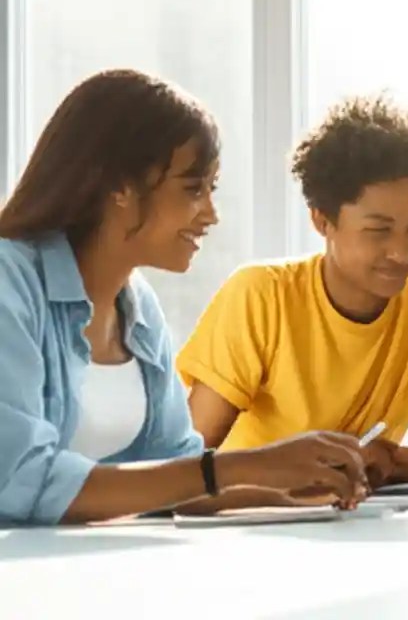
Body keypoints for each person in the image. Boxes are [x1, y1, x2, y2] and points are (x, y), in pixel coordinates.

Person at [0, 69, 366, 525]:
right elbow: (19, 478)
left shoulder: (138, 309)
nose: (210, 215)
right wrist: (238, 467)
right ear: (119, 186)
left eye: (211, 189)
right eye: (193, 189)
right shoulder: (9, 283)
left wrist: (292, 489)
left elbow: (177, 474)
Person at [181, 96, 408, 487]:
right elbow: (183, 466)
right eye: (379, 230)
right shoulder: (261, 297)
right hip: (250, 523)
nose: (402, 252)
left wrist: (388, 460)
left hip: (357, 525)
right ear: (322, 220)